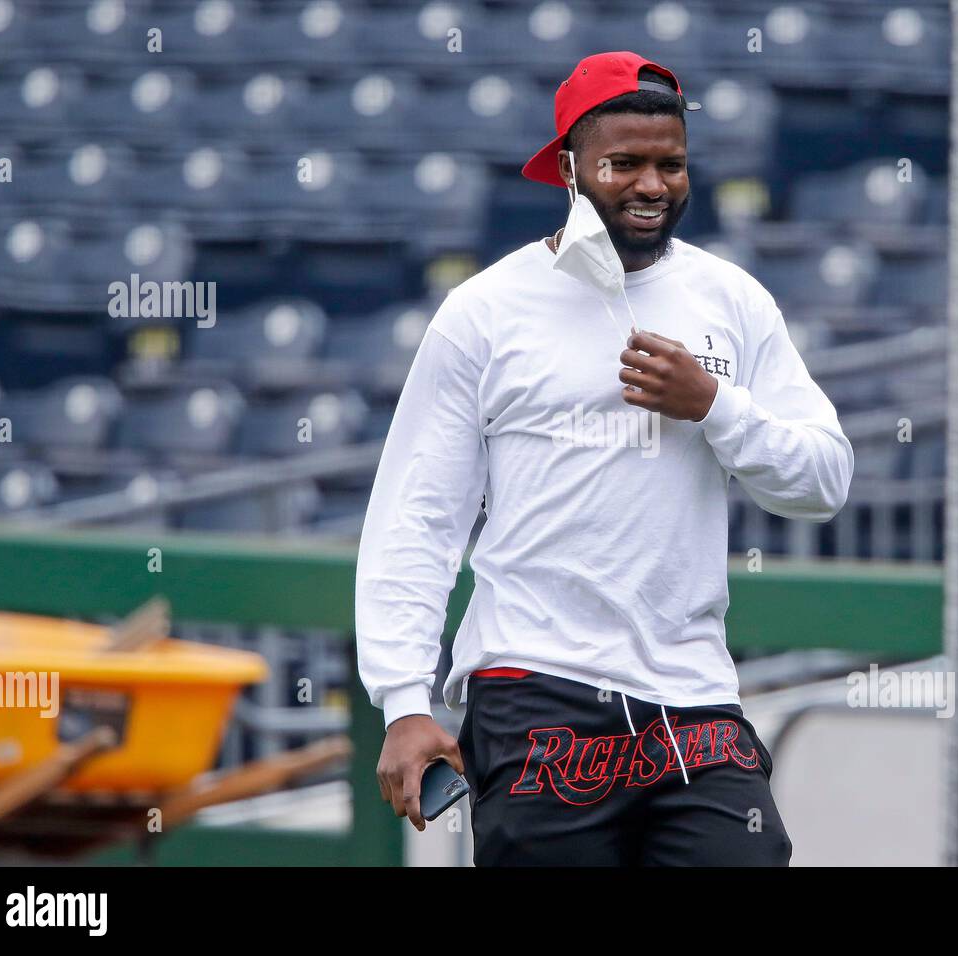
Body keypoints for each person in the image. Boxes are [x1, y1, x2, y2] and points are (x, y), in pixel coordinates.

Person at [355, 50, 854, 866]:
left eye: (672, 164)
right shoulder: (482, 313)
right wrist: (406, 702)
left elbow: (825, 478)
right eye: (624, 163)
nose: (652, 185)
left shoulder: (733, 301)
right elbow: (417, 520)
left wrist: (715, 406)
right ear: (568, 167)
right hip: (533, 693)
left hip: (692, 702)